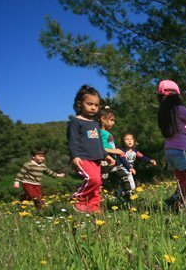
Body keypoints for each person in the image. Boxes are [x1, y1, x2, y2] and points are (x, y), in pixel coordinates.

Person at [67, 84, 115, 213]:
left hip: (96, 159)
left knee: (98, 183)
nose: (93, 108)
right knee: (92, 179)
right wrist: (75, 156)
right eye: (89, 104)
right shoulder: (75, 122)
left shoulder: (94, 124)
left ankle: (93, 207)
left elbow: (99, 143)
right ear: (79, 103)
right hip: (83, 158)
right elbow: (72, 140)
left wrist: (106, 155)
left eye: (96, 105)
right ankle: (79, 198)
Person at [157, 80, 186, 210]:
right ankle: (174, 199)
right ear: (177, 95)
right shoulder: (178, 109)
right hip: (180, 150)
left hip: (169, 151)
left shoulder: (163, 112)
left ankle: (179, 203)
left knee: (182, 180)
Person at [13, 147, 65, 211]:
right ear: (33, 157)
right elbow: (21, 173)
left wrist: (58, 175)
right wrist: (17, 181)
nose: (42, 158)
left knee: (40, 198)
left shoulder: (43, 166)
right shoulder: (28, 164)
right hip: (28, 183)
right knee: (34, 196)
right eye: (40, 156)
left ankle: (40, 211)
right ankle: (24, 198)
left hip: (37, 184)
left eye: (43, 156)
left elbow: (49, 172)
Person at [97, 106, 134, 191]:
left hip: (113, 161)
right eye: (111, 120)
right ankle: (99, 200)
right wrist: (115, 151)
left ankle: (129, 196)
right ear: (103, 119)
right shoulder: (101, 132)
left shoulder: (106, 133)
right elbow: (100, 148)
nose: (113, 123)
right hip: (105, 162)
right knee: (103, 183)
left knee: (124, 176)